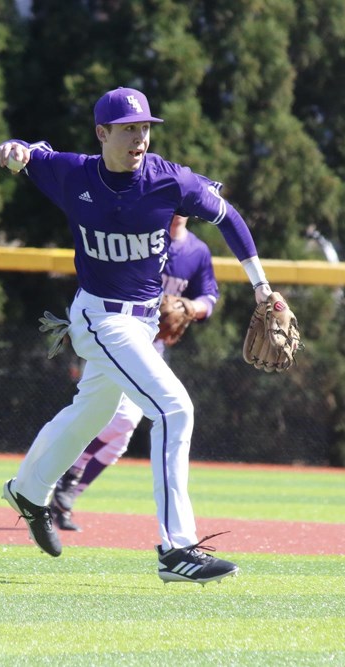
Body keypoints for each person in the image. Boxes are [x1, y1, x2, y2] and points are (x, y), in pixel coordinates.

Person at [0, 86, 277, 585]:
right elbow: (30, 153)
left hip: (142, 323)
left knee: (92, 413)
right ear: (102, 133)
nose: (139, 138)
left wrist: (262, 287)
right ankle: (178, 549)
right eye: (128, 130)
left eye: (145, 127)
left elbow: (228, 217)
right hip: (100, 319)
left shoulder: (169, 181)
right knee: (174, 408)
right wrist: (13, 150)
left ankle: (27, 490)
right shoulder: (74, 173)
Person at [51, 214, 219, 533]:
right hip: (116, 337)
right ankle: (56, 479)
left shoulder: (197, 251)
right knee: (123, 419)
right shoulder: (141, 236)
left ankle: (62, 496)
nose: (178, 209)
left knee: (119, 439)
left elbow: (208, 297)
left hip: (151, 348)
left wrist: (188, 307)